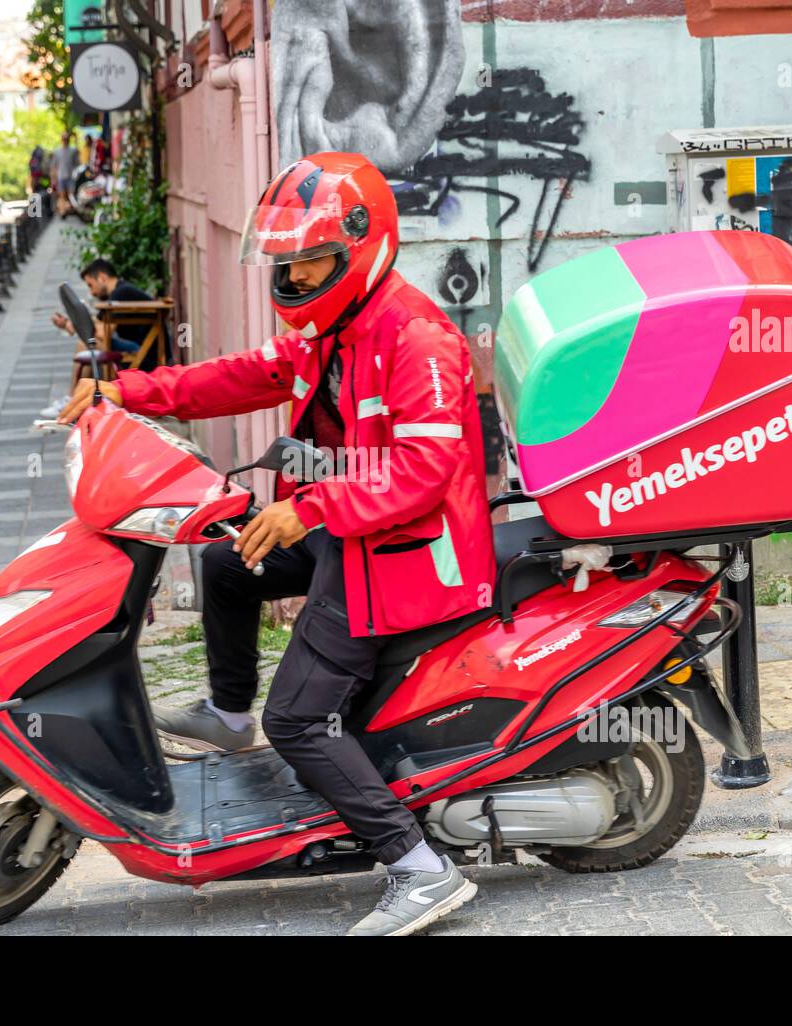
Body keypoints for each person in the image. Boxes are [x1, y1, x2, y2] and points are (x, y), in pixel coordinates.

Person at [59, 153, 494, 936]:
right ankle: (230, 716)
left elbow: (424, 472)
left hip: (405, 557)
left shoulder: (417, 340)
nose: (294, 280)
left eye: (312, 262)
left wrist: (309, 510)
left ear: (364, 247)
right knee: (224, 561)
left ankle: (418, 868)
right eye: (287, 265)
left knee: (296, 719)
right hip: (350, 535)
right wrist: (126, 389)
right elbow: (234, 376)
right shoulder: (334, 329)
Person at [41, 258, 153, 418]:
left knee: (88, 343)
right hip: (138, 346)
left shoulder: (121, 293)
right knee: (87, 342)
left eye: (90, 285)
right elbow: (96, 329)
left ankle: (73, 399)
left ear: (102, 277)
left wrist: (79, 319)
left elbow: (101, 333)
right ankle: (74, 398)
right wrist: (68, 324)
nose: (91, 292)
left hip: (144, 351)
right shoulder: (119, 292)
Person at [51, 131, 79, 213]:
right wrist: (53, 178)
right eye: (64, 138)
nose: (65, 140)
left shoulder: (73, 150)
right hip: (61, 177)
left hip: (71, 177)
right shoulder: (57, 151)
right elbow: (54, 166)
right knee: (62, 195)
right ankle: (63, 212)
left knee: (71, 194)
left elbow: (77, 164)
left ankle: (72, 209)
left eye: (66, 138)